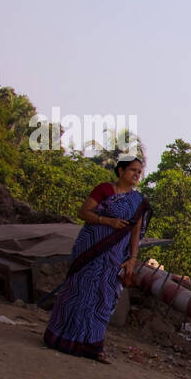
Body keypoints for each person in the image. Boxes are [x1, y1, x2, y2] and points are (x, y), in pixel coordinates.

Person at [43, 153, 151, 362]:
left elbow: (135, 232)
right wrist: (107, 221)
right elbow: (83, 212)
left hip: (114, 257)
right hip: (90, 250)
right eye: (132, 170)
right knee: (78, 292)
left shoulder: (138, 202)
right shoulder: (104, 189)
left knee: (103, 297)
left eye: (139, 172)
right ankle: (61, 339)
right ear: (121, 171)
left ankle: (92, 346)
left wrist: (132, 258)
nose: (137, 174)